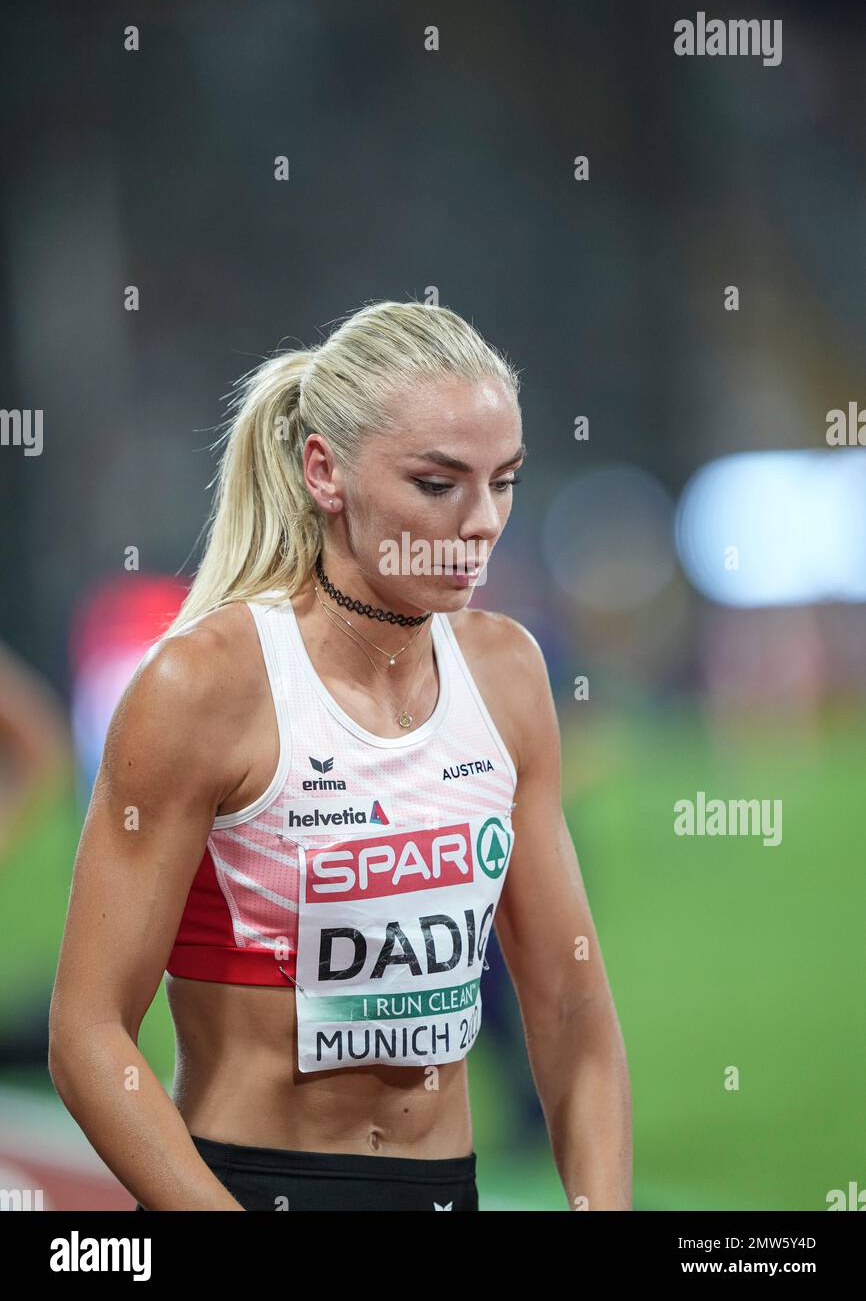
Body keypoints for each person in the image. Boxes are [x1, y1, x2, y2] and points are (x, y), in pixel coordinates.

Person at [47, 300, 632, 1211]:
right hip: (249, 1188)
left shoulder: (508, 675)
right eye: (439, 485)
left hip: (447, 1190)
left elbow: (569, 1011)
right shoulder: (202, 686)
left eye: (505, 480)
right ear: (326, 472)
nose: (483, 522)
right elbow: (87, 1034)